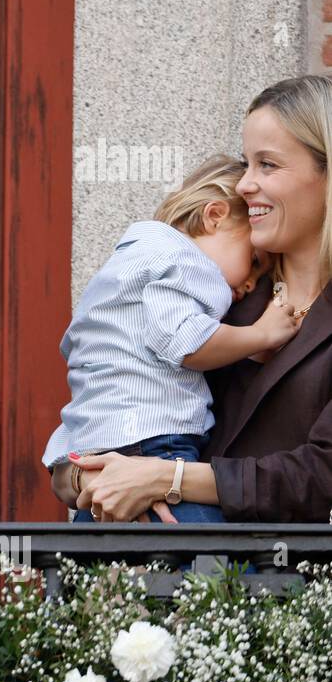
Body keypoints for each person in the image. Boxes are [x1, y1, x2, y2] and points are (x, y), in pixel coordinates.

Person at [52, 74, 332, 523]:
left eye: (268, 165)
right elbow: (94, 420)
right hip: (158, 567)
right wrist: (98, 479)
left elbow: (321, 476)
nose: (243, 184)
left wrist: (167, 479)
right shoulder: (215, 299)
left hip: (281, 582)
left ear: (327, 175)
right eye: (246, 163)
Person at [43, 155, 289, 523]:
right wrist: (261, 334)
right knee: (220, 569)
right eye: (254, 261)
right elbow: (186, 343)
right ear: (214, 216)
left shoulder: (132, 258)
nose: (251, 283)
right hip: (155, 444)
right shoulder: (186, 262)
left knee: (107, 567)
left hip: (98, 456)